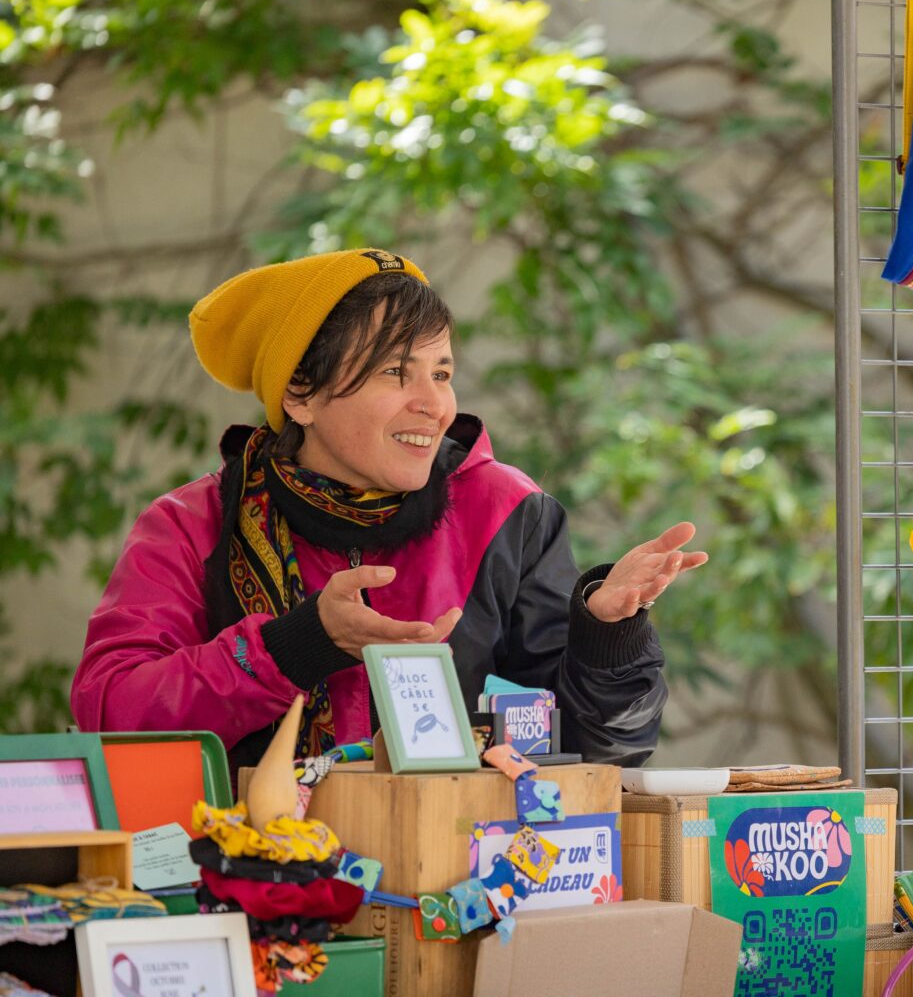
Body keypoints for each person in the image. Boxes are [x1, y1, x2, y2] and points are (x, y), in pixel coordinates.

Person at [72, 249, 707, 774]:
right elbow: (110, 713)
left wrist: (605, 635)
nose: (434, 405)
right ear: (301, 394)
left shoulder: (509, 511)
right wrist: (297, 646)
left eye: (442, 371)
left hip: (454, 892)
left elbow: (600, 753)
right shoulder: (191, 523)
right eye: (396, 372)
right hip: (248, 884)